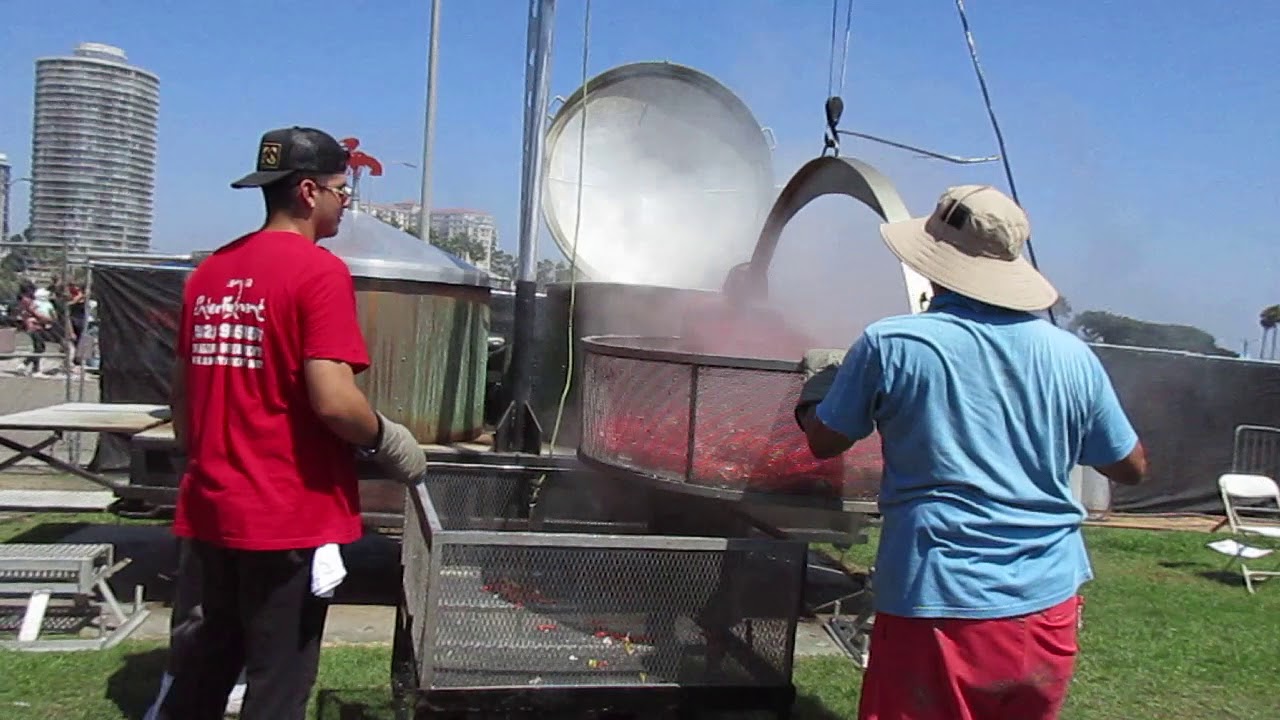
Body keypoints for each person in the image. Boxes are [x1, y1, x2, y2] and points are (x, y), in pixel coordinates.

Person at [794, 185, 1148, 720]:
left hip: (937, 599)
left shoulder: (894, 343)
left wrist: (816, 393)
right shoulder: (1073, 356)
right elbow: (1131, 466)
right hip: (1047, 606)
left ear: (936, 263)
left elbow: (826, 440)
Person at [155, 126, 428, 720]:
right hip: (284, 514)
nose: (344, 201)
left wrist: (201, 461)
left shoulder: (210, 273)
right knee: (278, 681)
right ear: (308, 192)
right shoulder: (317, 273)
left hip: (211, 507)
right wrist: (387, 437)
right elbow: (333, 400)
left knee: (207, 665)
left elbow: (181, 394)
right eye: (340, 189)